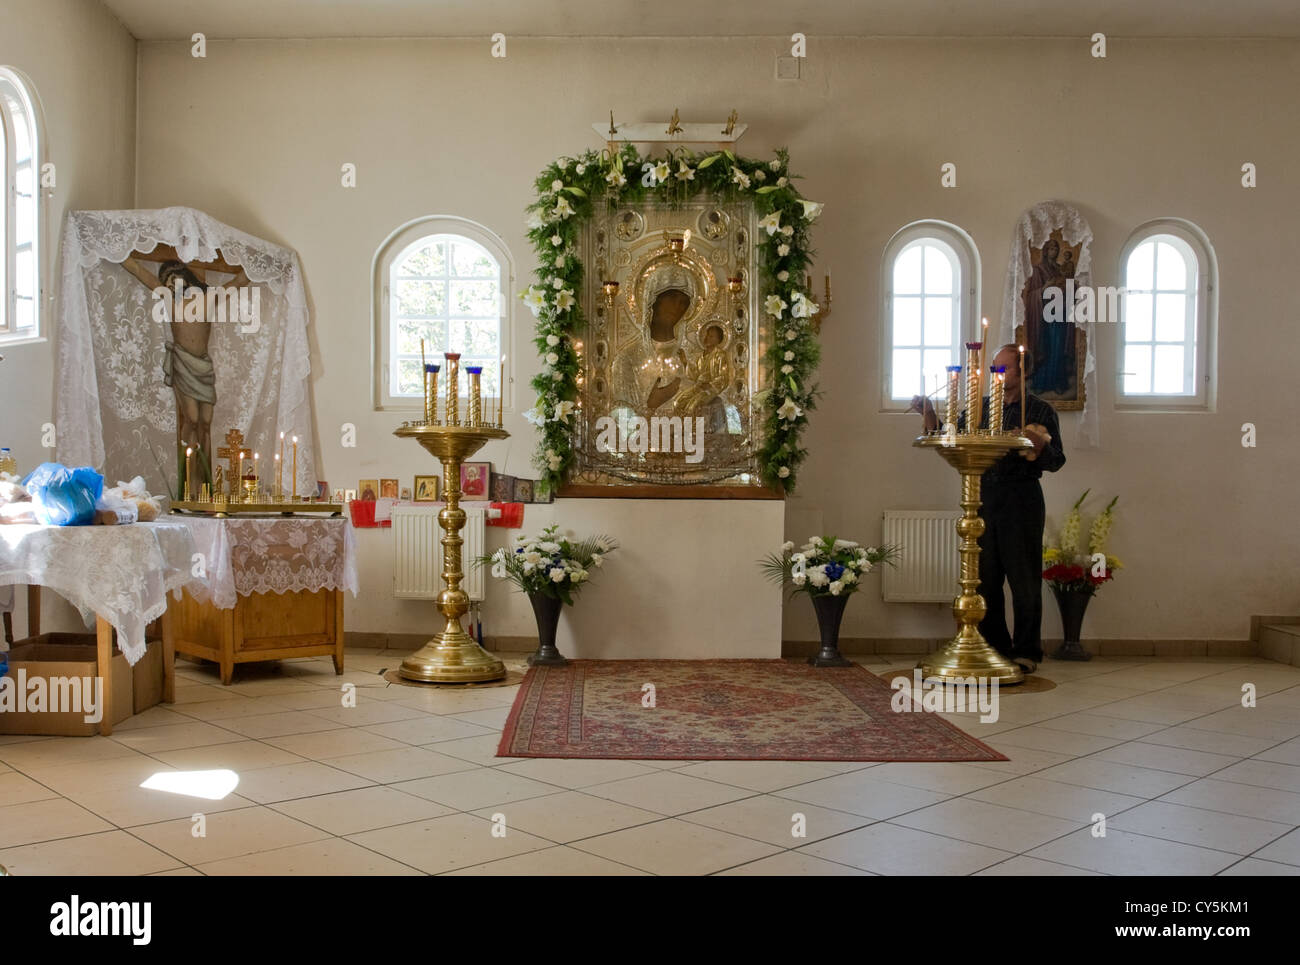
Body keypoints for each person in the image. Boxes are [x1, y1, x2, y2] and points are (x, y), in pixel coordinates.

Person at [911, 344, 1066, 673]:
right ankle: (995, 646)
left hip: (1021, 498)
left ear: (1022, 372)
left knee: (1023, 579)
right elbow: (955, 436)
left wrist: (1039, 445)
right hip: (984, 495)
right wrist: (928, 412)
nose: (998, 374)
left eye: (1004, 368)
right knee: (986, 578)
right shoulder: (980, 408)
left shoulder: (1039, 410)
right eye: (994, 368)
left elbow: (1057, 460)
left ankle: (1026, 652)